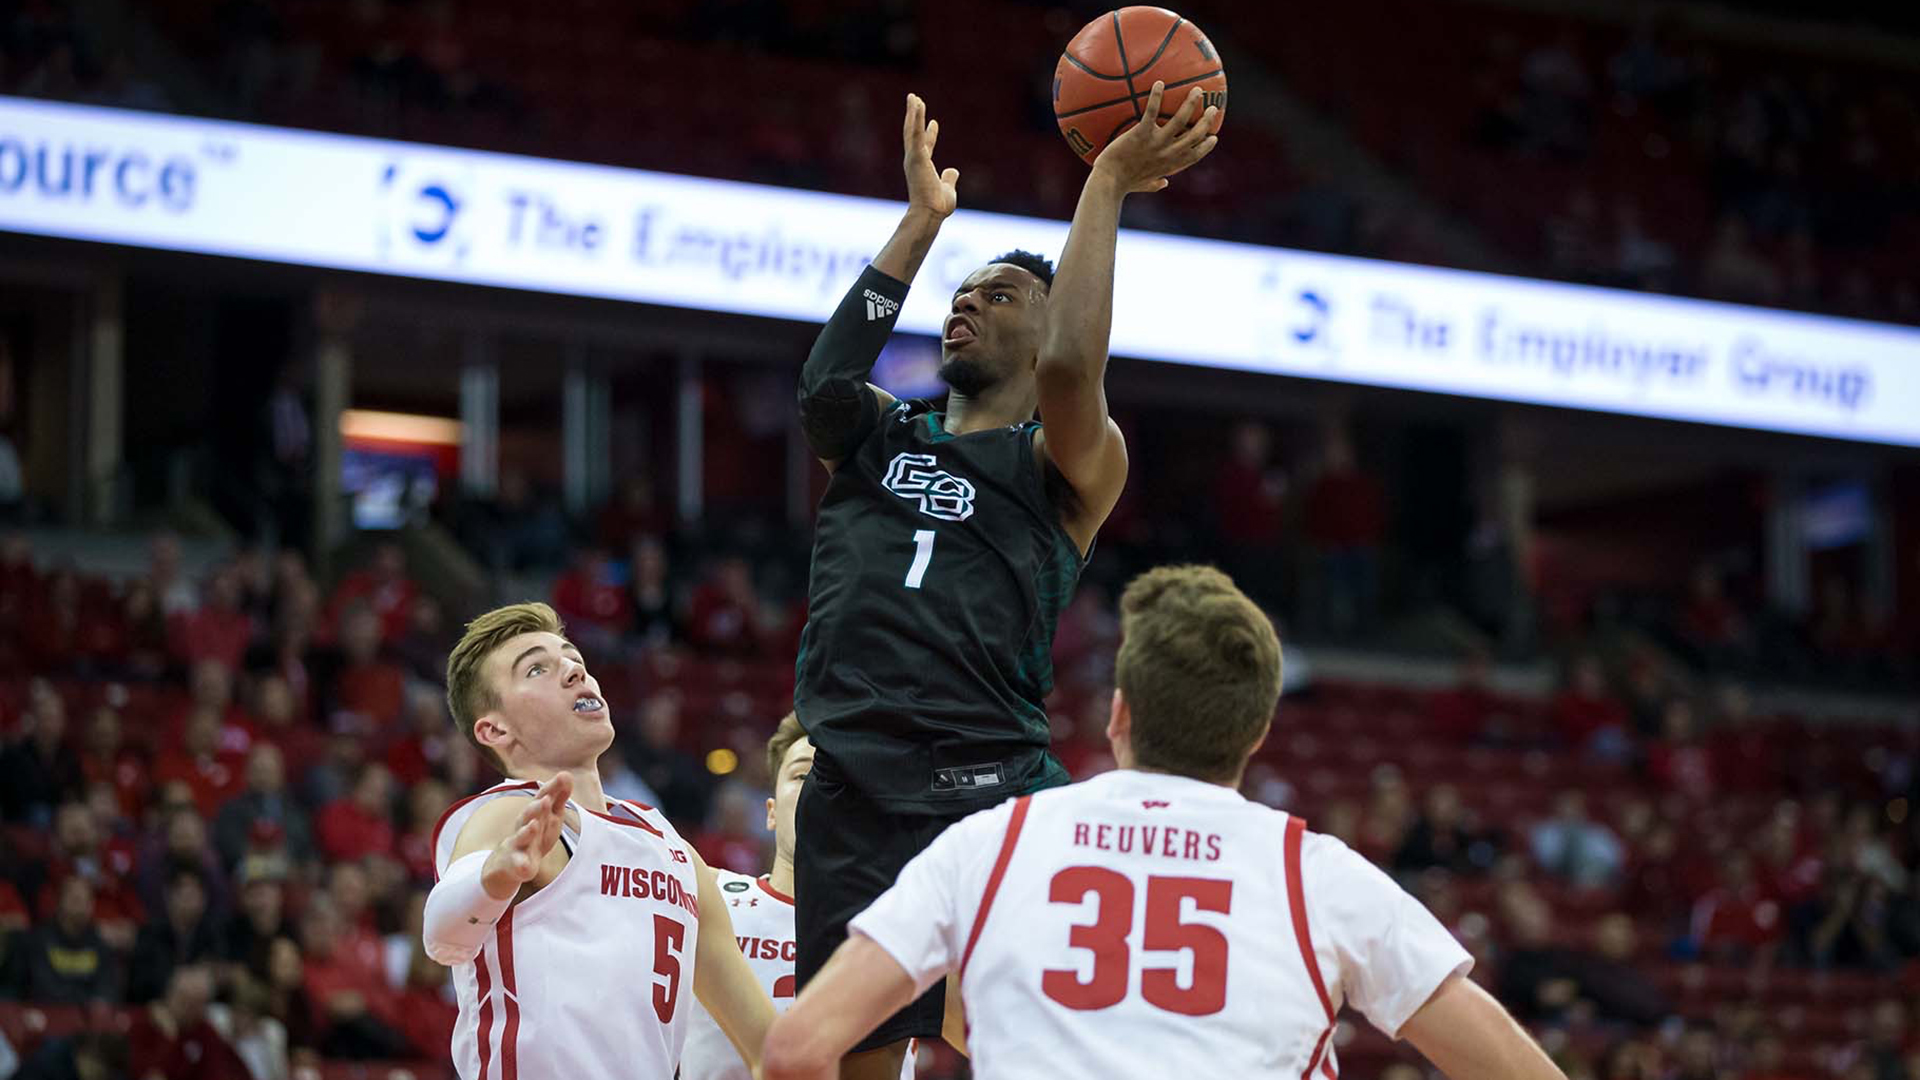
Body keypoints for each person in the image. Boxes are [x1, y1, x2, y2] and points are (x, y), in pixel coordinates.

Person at [791, 85, 1217, 1078]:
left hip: (986, 787)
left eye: (1000, 295)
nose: (966, 303)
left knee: (1041, 1052)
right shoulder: (879, 435)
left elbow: (1073, 372)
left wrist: (1106, 182)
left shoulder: (1065, 467)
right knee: (846, 1064)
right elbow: (820, 386)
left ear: (1039, 333)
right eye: (958, 294)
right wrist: (919, 226)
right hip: (851, 785)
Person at [765, 565, 1565, 1080]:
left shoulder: (994, 843)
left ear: (1119, 714)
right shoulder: (1317, 875)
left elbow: (798, 1047)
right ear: (1255, 733)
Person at [422, 602, 773, 1079]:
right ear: (495, 729)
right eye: (537, 668)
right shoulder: (511, 813)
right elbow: (443, 935)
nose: (571, 669)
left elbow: (768, 1048)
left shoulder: (676, 853)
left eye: (572, 658)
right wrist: (496, 874)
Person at [681, 715, 932, 1080]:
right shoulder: (707, 891)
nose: (819, 790)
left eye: (838, 780)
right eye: (802, 775)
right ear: (770, 814)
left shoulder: (912, 923)